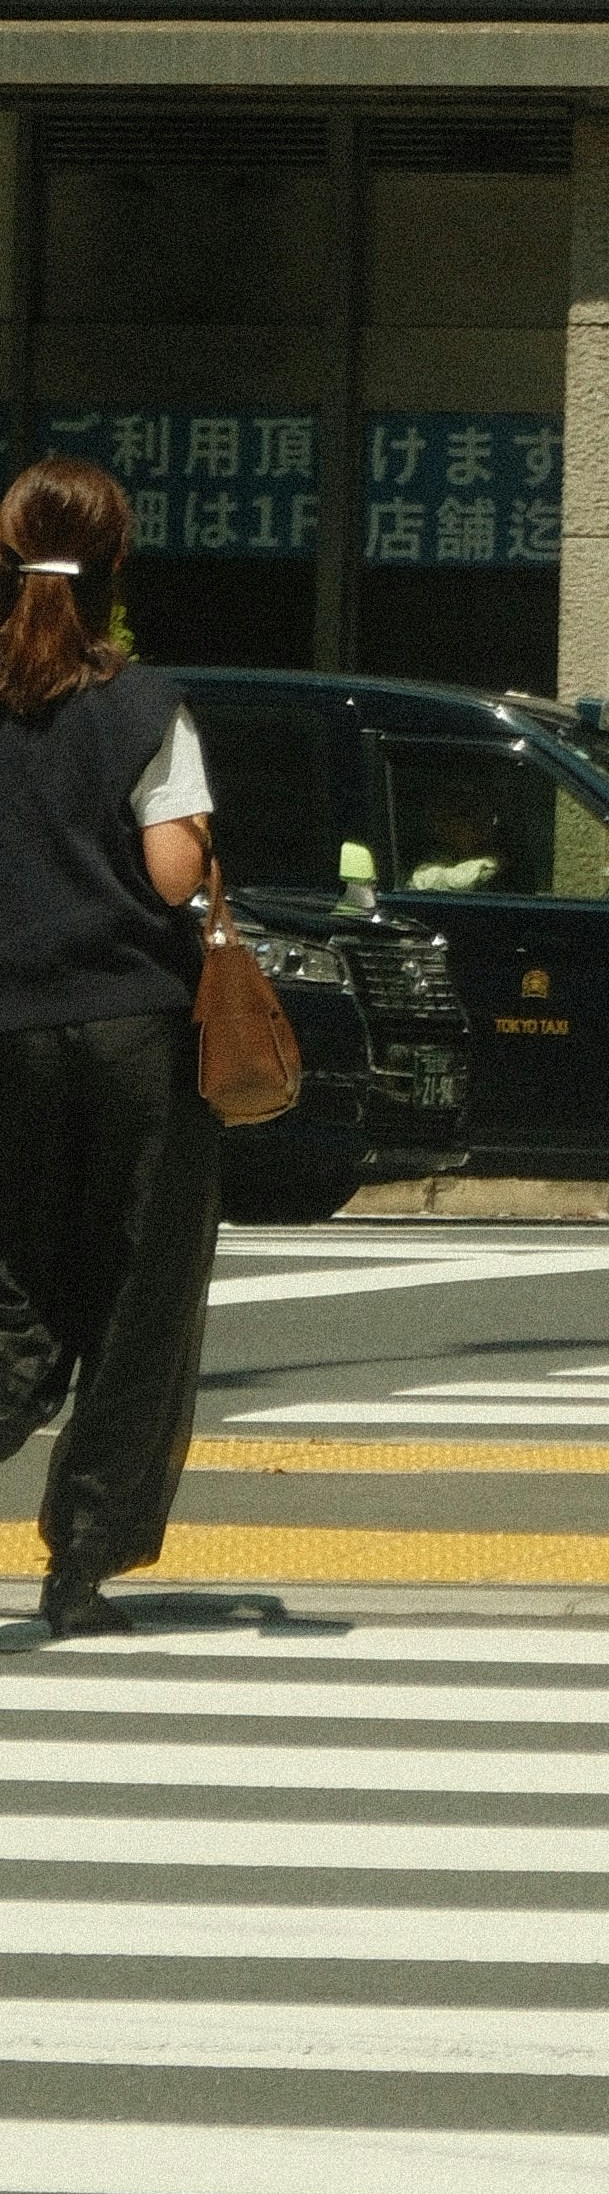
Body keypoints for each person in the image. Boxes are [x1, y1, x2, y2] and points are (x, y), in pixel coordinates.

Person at [0, 454, 224, 1647]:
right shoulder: (145, 703)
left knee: (17, 1293)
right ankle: (79, 1567)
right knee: (140, 1294)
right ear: (117, 561)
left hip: (7, 1031)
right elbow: (171, 875)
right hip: (132, 1028)